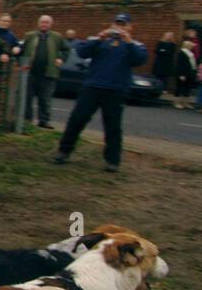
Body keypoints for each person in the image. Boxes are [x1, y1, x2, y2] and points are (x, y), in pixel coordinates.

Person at [53, 12, 147, 172]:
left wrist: (128, 41)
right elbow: (81, 52)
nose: (119, 27)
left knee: (113, 126)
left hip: (116, 90)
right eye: (117, 23)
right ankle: (63, 151)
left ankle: (112, 161)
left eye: (123, 24)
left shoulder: (136, 45)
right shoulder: (98, 41)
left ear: (130, 27)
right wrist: (100, 37)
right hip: (92, 87)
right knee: (77, 119)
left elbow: (139, 60)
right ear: (112, 24)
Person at [19, 15, 68, 128]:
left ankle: (44, 120)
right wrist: (20, 62)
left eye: (47, 22)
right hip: (30, 72)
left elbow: (67, 49)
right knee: (27, 97)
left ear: (51, 24)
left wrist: (61, 59)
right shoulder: (29, 36)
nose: (44, 24)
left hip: (49, 73)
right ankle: (27, 120)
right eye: (42, 22)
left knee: (45, 98)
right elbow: (21, 50)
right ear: (38, 23)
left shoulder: (57, 37)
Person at [172, 40, 197, 109]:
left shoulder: (190, 53)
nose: (192, 46)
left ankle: (185, 103)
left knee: (187, 88)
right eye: (191, 45)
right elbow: (180, 64)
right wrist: (181, 74)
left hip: (190, 72)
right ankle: (176, 102)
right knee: (180, 88)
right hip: (183, 73)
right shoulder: (182, 52)